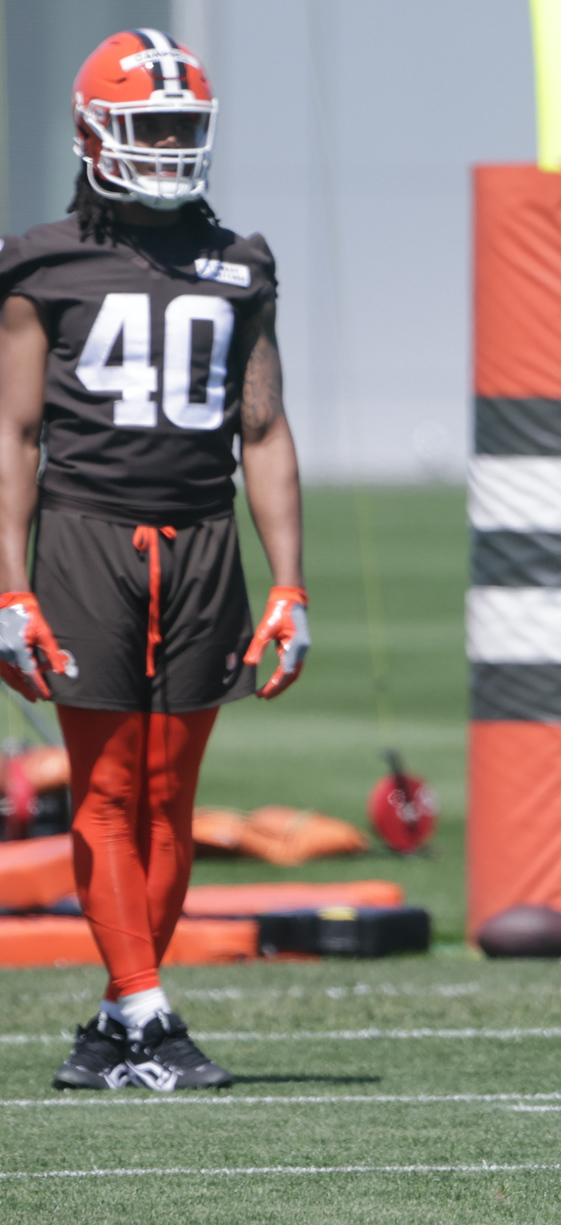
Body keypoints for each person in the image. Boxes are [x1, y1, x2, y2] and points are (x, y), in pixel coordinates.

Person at [0, 30, 309, 1092]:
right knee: (109, 787)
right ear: (94, 132)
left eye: (184, 127)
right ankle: (148, 1012)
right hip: (88, 536)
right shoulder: (43, 260)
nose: (170, 146)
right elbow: (16, 434)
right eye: (150, 126)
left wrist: (290, 586)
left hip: (206, 538)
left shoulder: (242, 264)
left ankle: (118, 1021)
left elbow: (262, 431)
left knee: (172, 793)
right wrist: (10, 585)